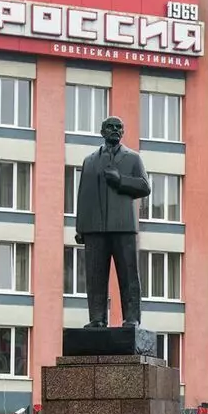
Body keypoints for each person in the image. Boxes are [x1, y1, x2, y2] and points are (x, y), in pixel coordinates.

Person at [74, 116, 152, 328]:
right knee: (95, 275)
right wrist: (80, 227)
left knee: (128, 274)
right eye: (111, 127)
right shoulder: (90, 161)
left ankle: (132, 318)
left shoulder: (133, 159)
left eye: (119, 127)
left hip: (123, 226)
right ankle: (97, 318)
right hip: (94, 227)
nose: (115, 130)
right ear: (102, 131)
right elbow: (83, 195)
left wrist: (121, 181)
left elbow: (145, 186)